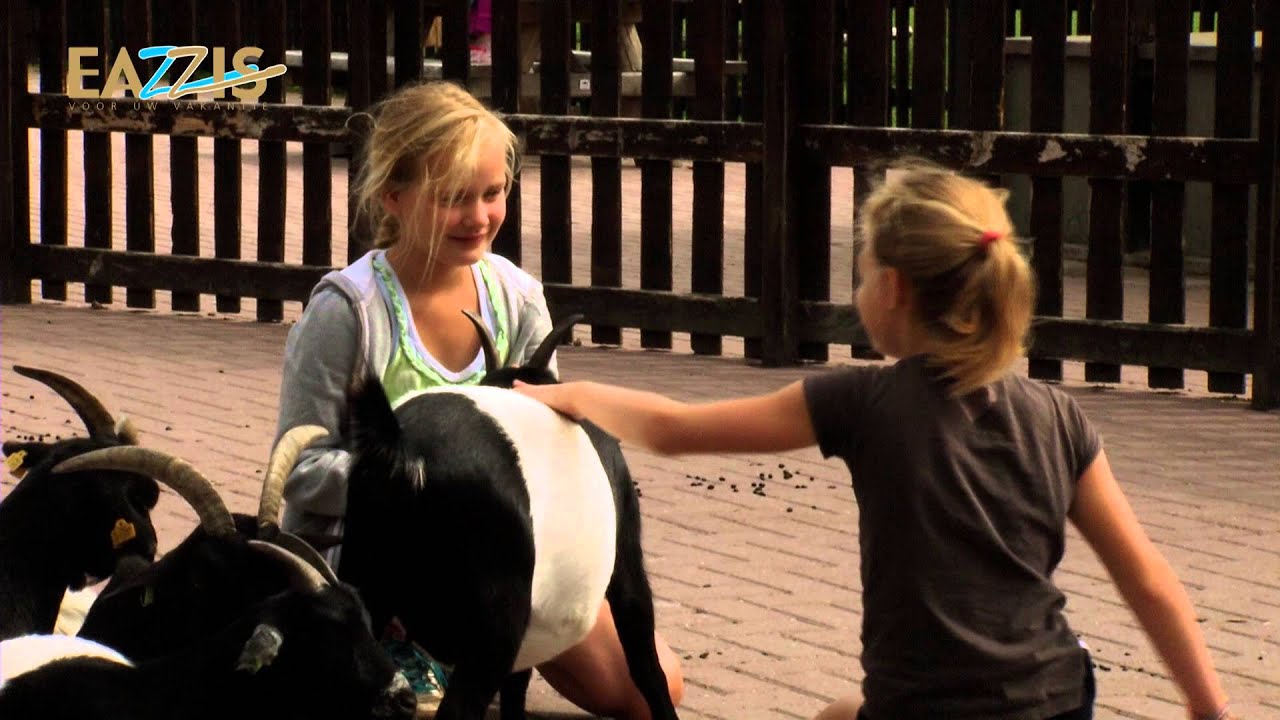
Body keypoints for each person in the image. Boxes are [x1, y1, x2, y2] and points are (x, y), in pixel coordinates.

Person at [515, 162, 1236, 720]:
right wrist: (1208, 706)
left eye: (860, 275)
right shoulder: (1058, 414)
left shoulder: (861, 400)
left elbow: (673, 432)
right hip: (1053, 697)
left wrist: (572, 395)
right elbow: (1146, 577)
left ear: (891, 288)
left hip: (923, 707)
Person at [274, 80, 683, 720]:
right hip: (375, 561)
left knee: (650, 686)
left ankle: (484, 655)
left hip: (504, 559)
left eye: (493, 193)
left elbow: (554, 441)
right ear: (394, 197)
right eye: (452, 198)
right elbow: (299, 473)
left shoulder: (516, 298)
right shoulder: (347, 312)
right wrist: (420, 484)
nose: (479, 216)